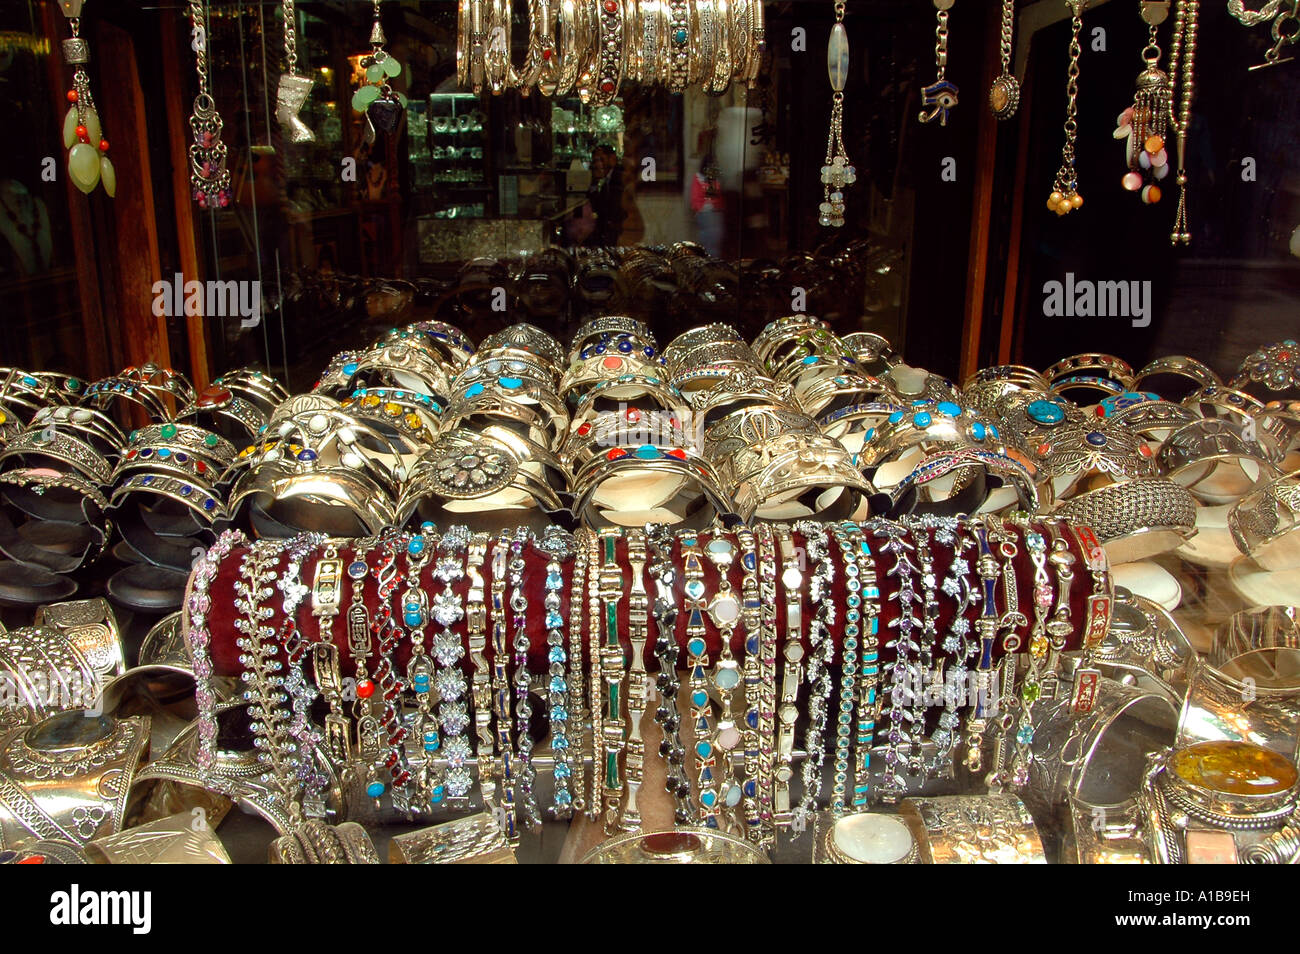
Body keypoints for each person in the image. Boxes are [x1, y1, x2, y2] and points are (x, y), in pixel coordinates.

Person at [584, 143, 626, 248]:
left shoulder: (618, 177)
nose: (597, 165)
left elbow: (608, 210)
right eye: (595, 161)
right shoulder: (607, 180)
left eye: (600, 159)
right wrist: (594, 181)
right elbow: (595, 206)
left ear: (612, 159)